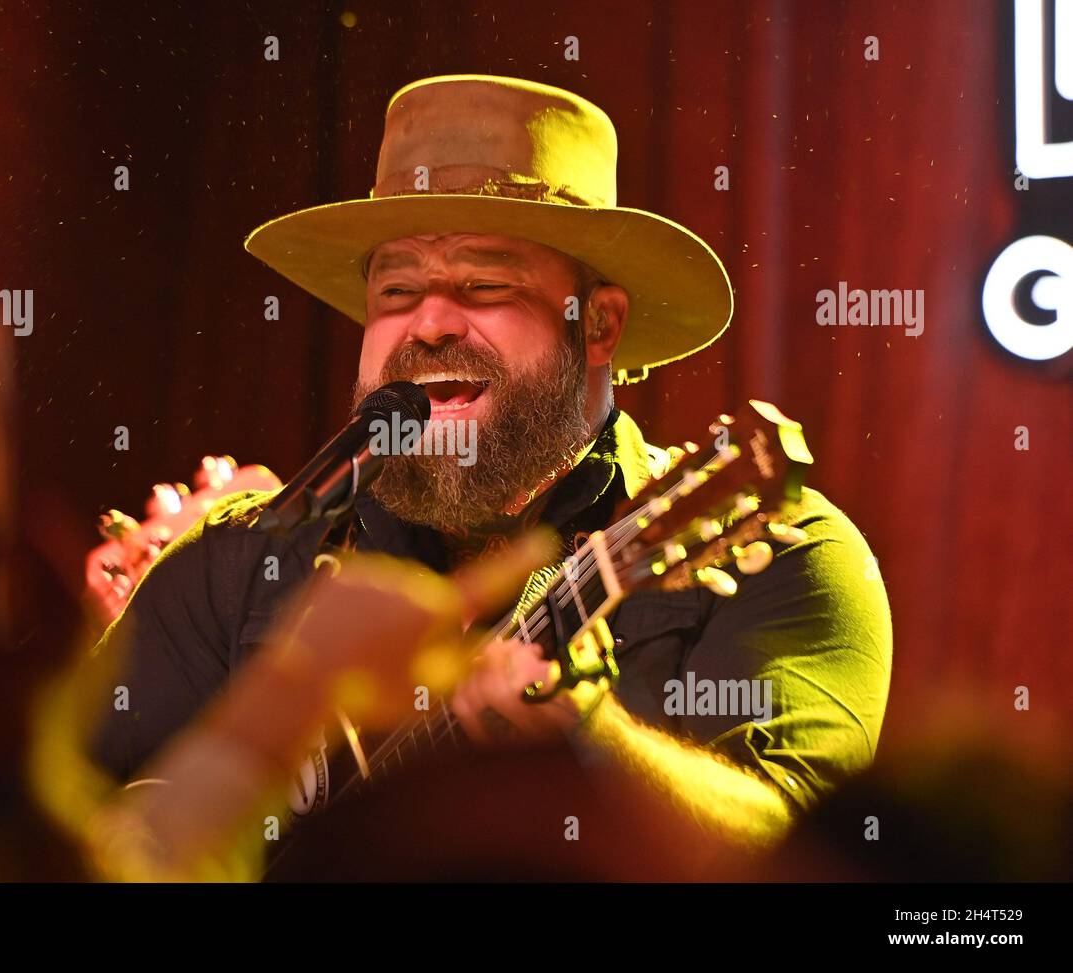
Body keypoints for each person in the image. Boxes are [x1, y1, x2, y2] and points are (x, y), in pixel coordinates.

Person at [86, 74, 893, 854]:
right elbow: (47, 815)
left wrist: (595, 734)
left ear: (600, 325)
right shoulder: (241, 565)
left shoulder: (783, 554)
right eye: (396, 291)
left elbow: (798, 858)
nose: (430, 321)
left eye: (482, 282)